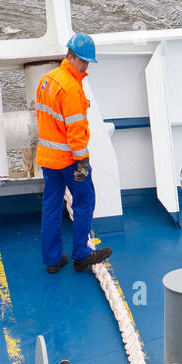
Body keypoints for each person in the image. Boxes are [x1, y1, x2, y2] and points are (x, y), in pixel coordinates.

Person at [35, 33, 112, 274]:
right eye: (83, 61)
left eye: (87, 61)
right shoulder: (71, 90)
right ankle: (81, 255)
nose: (86, 66)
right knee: (84, 201)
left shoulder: (47, 80)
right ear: (71, 56)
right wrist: (82, 163)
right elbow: (76, 132)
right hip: (68, 160)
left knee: (51, 206)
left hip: (48, 159)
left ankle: (52, 260)